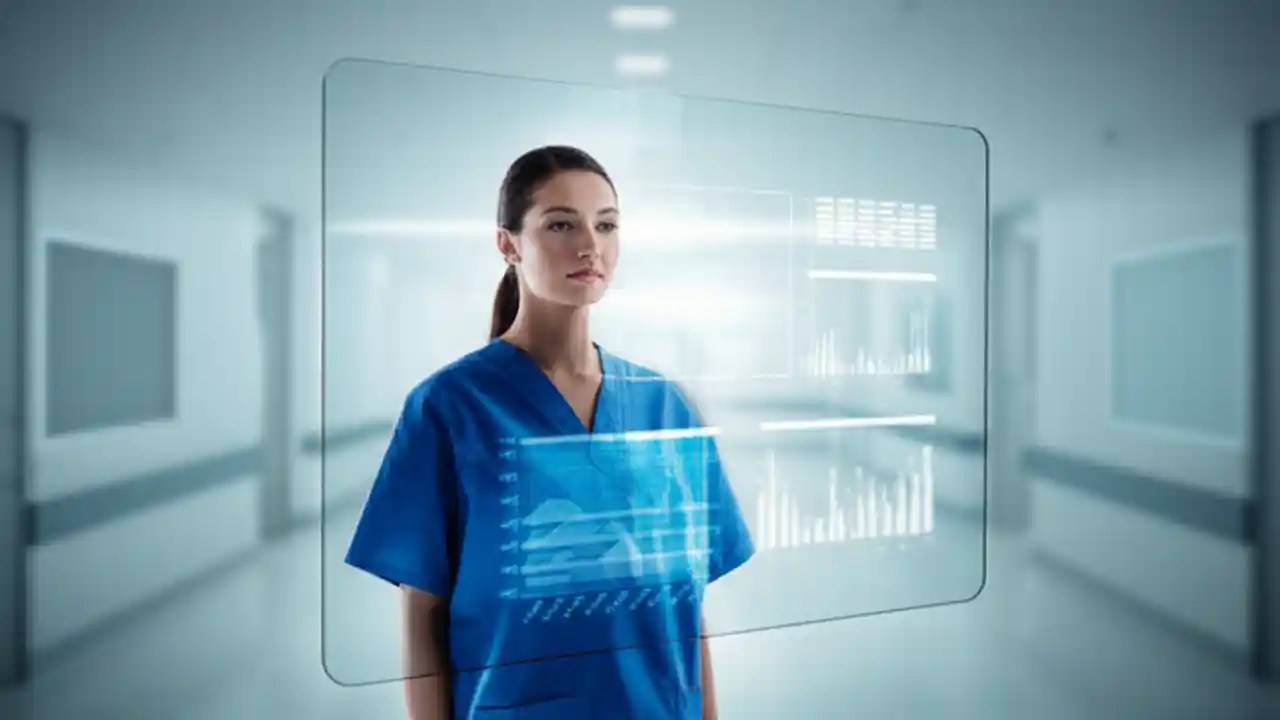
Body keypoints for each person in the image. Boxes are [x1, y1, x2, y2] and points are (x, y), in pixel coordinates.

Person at [344, 145, 755, 719]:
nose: (590, 245)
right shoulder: (451, 406)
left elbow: (687, 608)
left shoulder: (663, 405)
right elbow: (422, 611)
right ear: (508, 243)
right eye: (561, 224)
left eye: (606, 224)